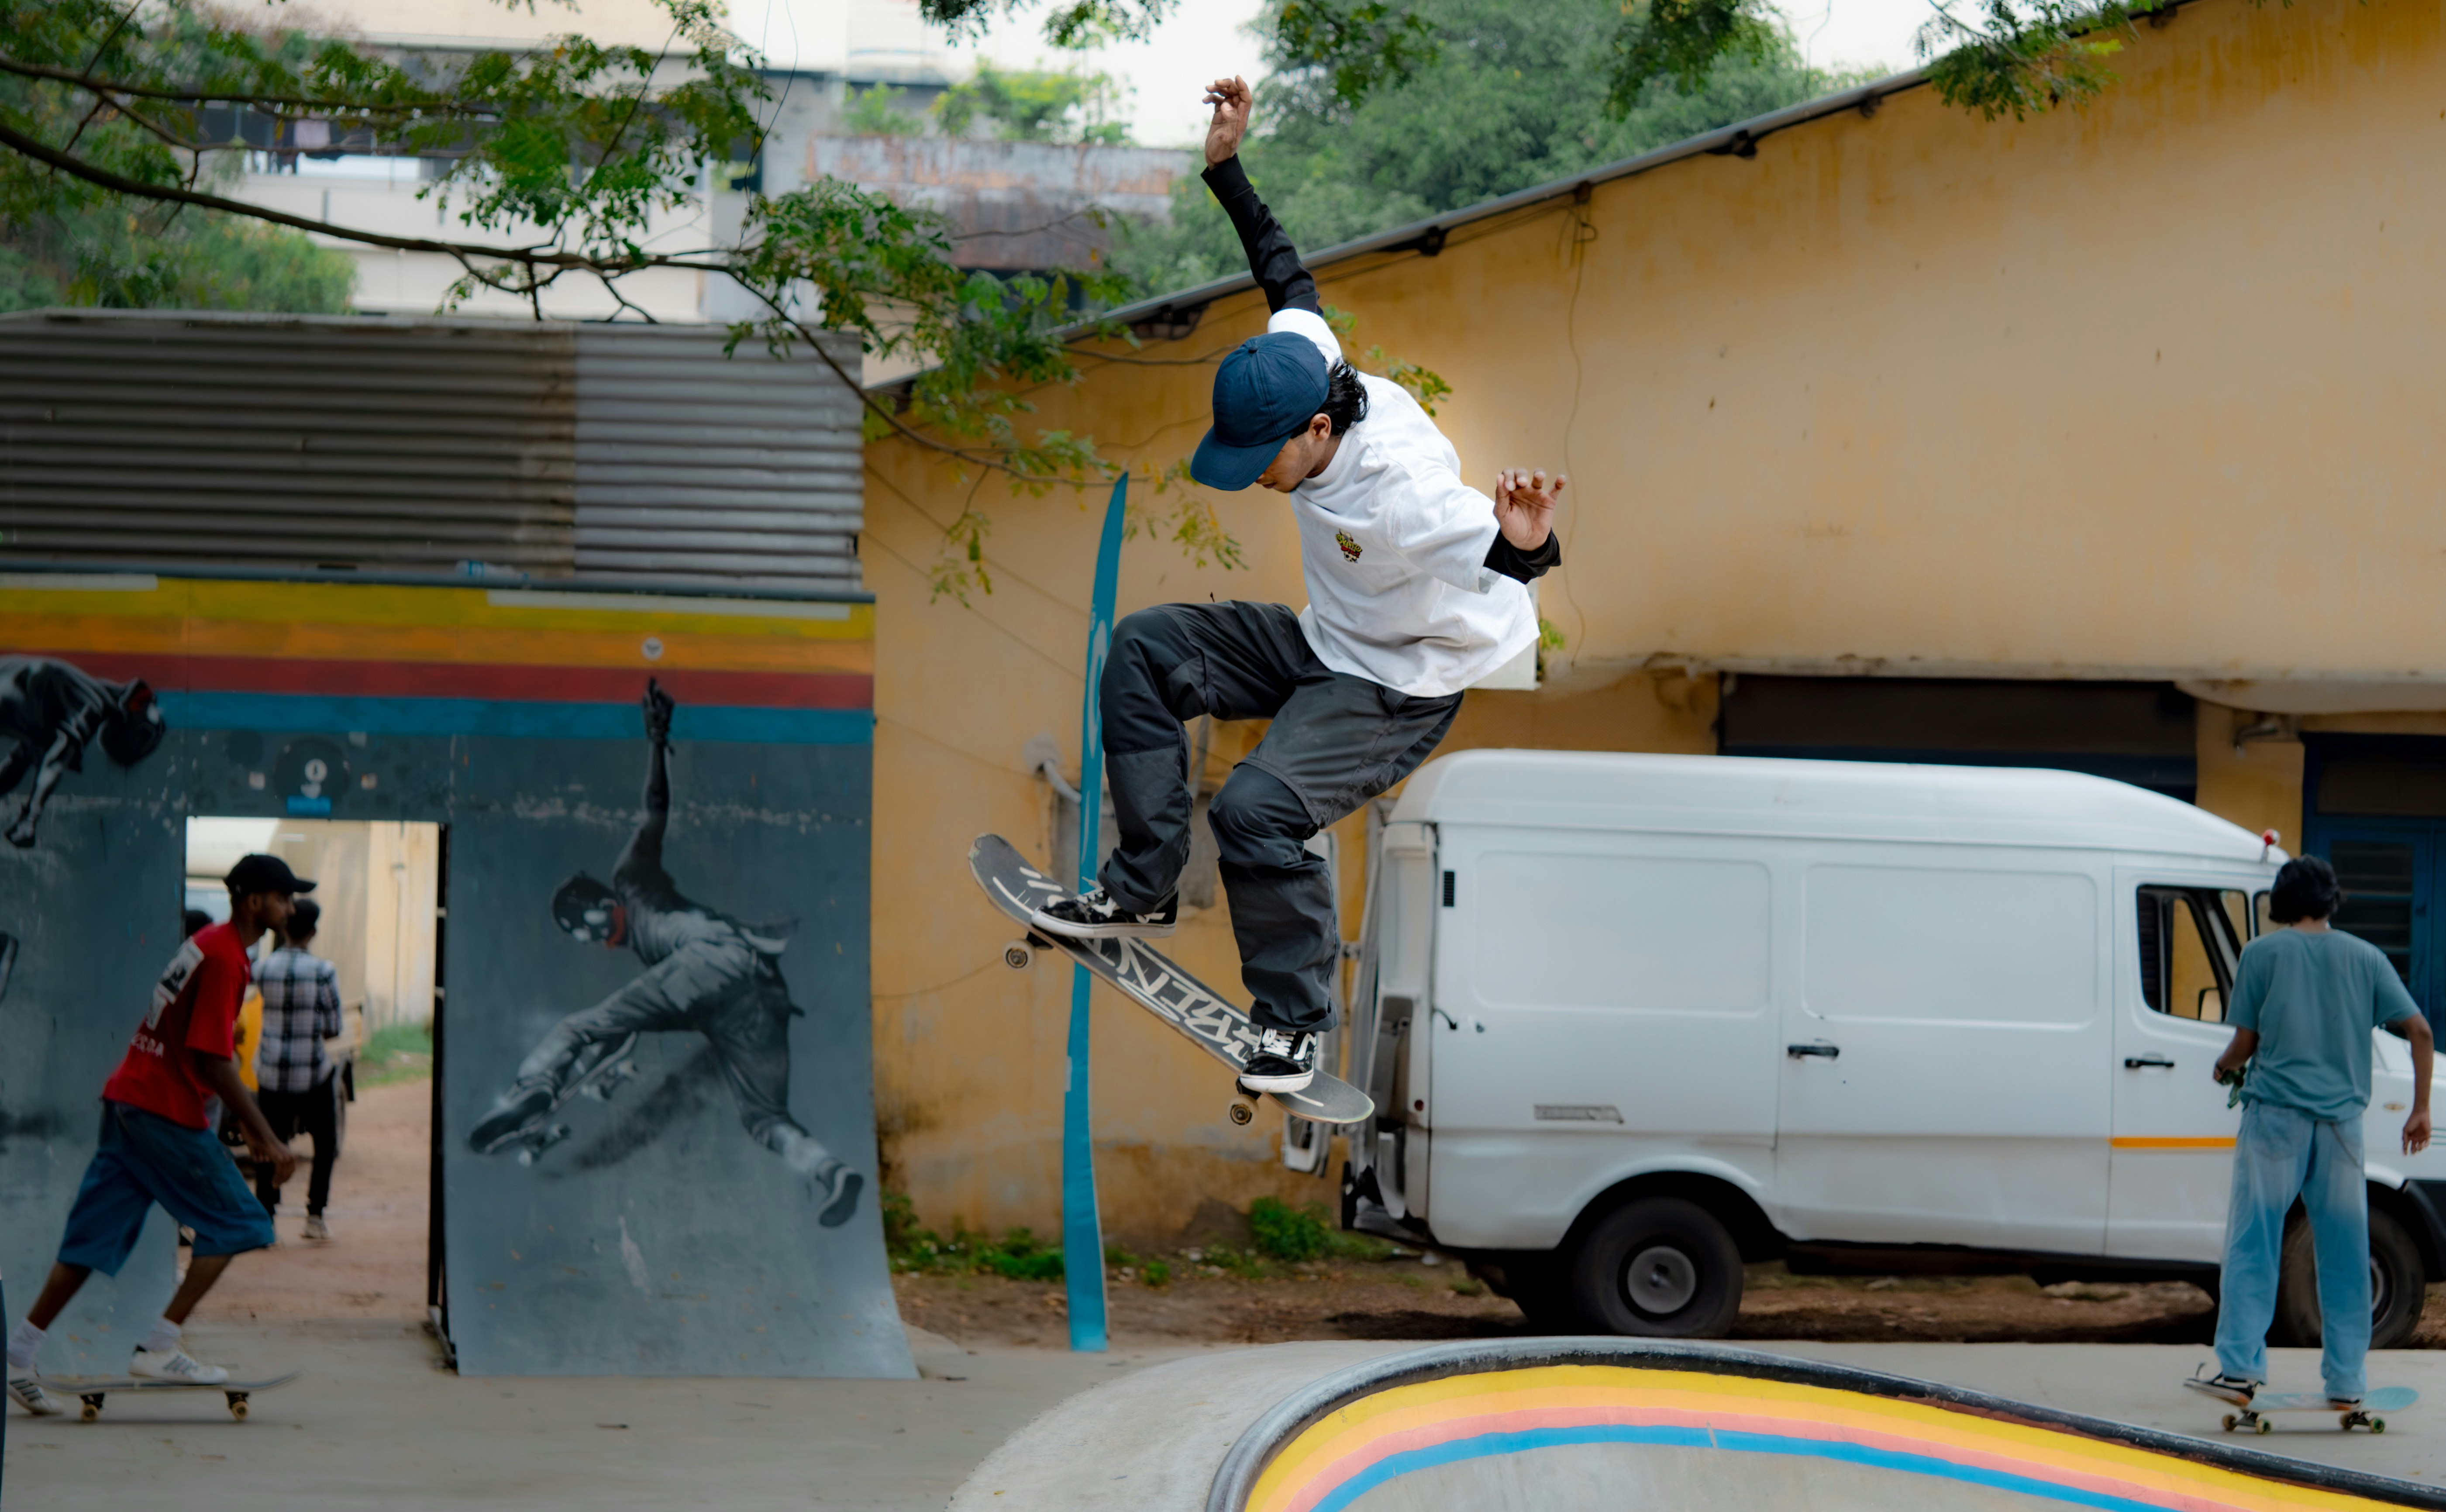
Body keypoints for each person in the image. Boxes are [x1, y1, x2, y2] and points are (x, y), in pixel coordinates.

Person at [1028, 76, 1566, 1094]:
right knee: (1145, 647)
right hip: (1329, 639)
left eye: (1263, 460)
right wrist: (1225, 168)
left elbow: (1502, 559)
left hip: (1400, 681)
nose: (1258, 479)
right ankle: (1141, 886)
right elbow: (1285, 275)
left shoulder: (1407, 495)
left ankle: (1293, 1020)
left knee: (1258, 810)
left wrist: (1530, 540)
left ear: (1318, 429)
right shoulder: (1306, 362)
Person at [468, 681, 864, 1226]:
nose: (594, 938)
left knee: (577, 1026)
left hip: (711, 962)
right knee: (765, 1118)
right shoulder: (654, 961)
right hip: (756, 992)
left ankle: (527, 1090)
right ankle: (831, 1172)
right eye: (581, 936)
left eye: (590, 924)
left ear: (606, 901)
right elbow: (626, 1031)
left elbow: (654, 812)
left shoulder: (631, 879)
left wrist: (656, 739)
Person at [4, 855, 305, 1416]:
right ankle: (161, 1345)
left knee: (91, 1239)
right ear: (255, 900)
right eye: (285, 896)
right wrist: (266, 1136)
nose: (292, 906)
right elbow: (213, 1062)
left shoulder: (208, 943)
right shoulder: (225, 958)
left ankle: (18, 1352)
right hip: (164, 1111)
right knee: (241, 1222)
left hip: (129, 1100)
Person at [2203, 854, 2435, 1408]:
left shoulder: (2262, 954)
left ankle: (2239, 1369)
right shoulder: (2365, 957)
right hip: (2340, 1127)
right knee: (2344, 1250)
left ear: (2282, 903)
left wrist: (2222, 1066)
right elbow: (2420, 1030)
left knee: (2254, 1239)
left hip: (2274, 1120)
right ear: (2331, 901)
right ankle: (2347, 1381)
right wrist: (2419, 1109)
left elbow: (2244, 1044)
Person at [0, 655, 168, 848]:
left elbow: (19, 761)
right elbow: (55, 762)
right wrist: (29, 821)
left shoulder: (84, 690)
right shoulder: (92, 704)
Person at [253, 898, 345, 1244]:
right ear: (314, 931)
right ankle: (315, 1216)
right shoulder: (324, 971)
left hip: (271, 1072)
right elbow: (333, 1027)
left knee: (267, 1144)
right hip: (312, 1074)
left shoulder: (264, 968)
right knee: (325, 1143)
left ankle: (266, 1219)